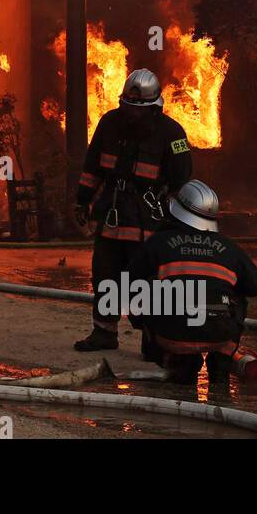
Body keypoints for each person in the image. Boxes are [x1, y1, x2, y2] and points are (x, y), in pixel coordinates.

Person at [73, 68, 192, 353]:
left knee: (147, 281)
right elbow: (92, 167)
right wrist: (82, 200)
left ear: (153, 107)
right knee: (105, 274)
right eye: (127, 105)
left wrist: (176, 218)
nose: (131, 113)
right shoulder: (110, 123)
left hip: (149, 219)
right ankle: (104, 332)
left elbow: (182, 177)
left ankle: (152, 337)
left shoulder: (172, 132)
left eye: (138, 107)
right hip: (112, 214)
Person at [126, 179, 257, 388]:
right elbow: (255, 287)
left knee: (146, 288)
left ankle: (175, 359)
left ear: (177, 209)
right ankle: (222, 360)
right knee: (238, 296)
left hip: (172, 337)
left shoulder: (157, 243)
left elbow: (129, 288)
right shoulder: (229, 248)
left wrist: (145, 325)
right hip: (220, 336)